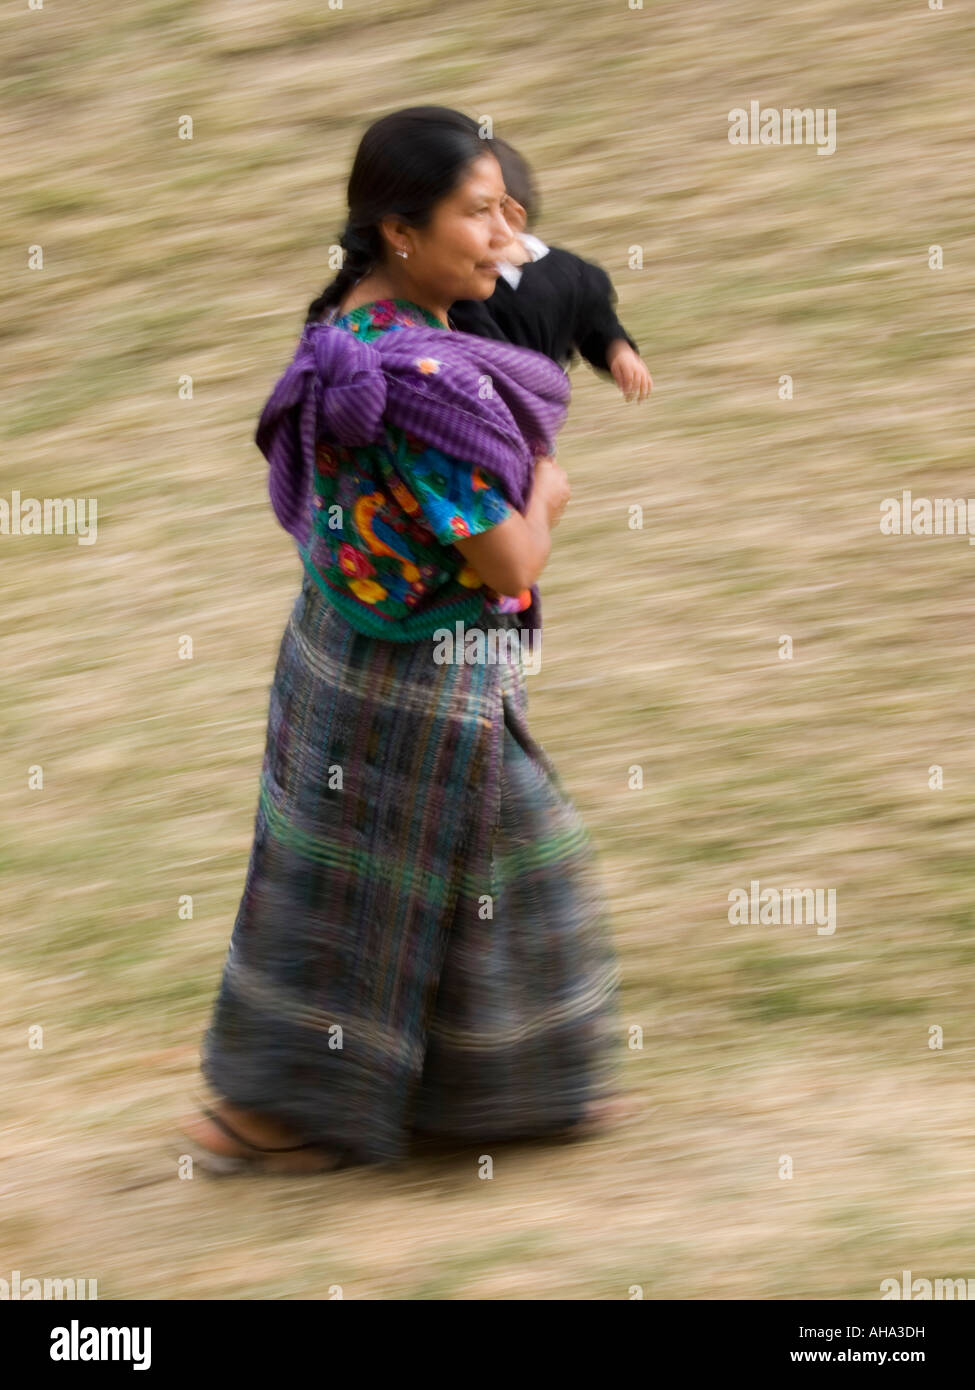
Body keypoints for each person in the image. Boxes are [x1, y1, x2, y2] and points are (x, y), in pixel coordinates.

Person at [179, 106, 622, 1176]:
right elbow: (508, 561)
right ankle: (270, 1116)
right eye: (476, 216)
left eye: (508, 214)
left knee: (435, 873)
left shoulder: (346, 327)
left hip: (338, 642)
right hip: (416, 675)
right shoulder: (437, 388)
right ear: (399, 232)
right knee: (372, 889)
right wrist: (550, 492)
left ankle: (487, 1099)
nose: (502, 238)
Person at [449, 137, 653, 402]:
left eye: (473, 214)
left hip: (531, 409)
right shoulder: (459, 281)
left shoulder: (570, 274)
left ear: (510, 216)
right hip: (488, 406)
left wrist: (618, 351)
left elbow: (596, 320)